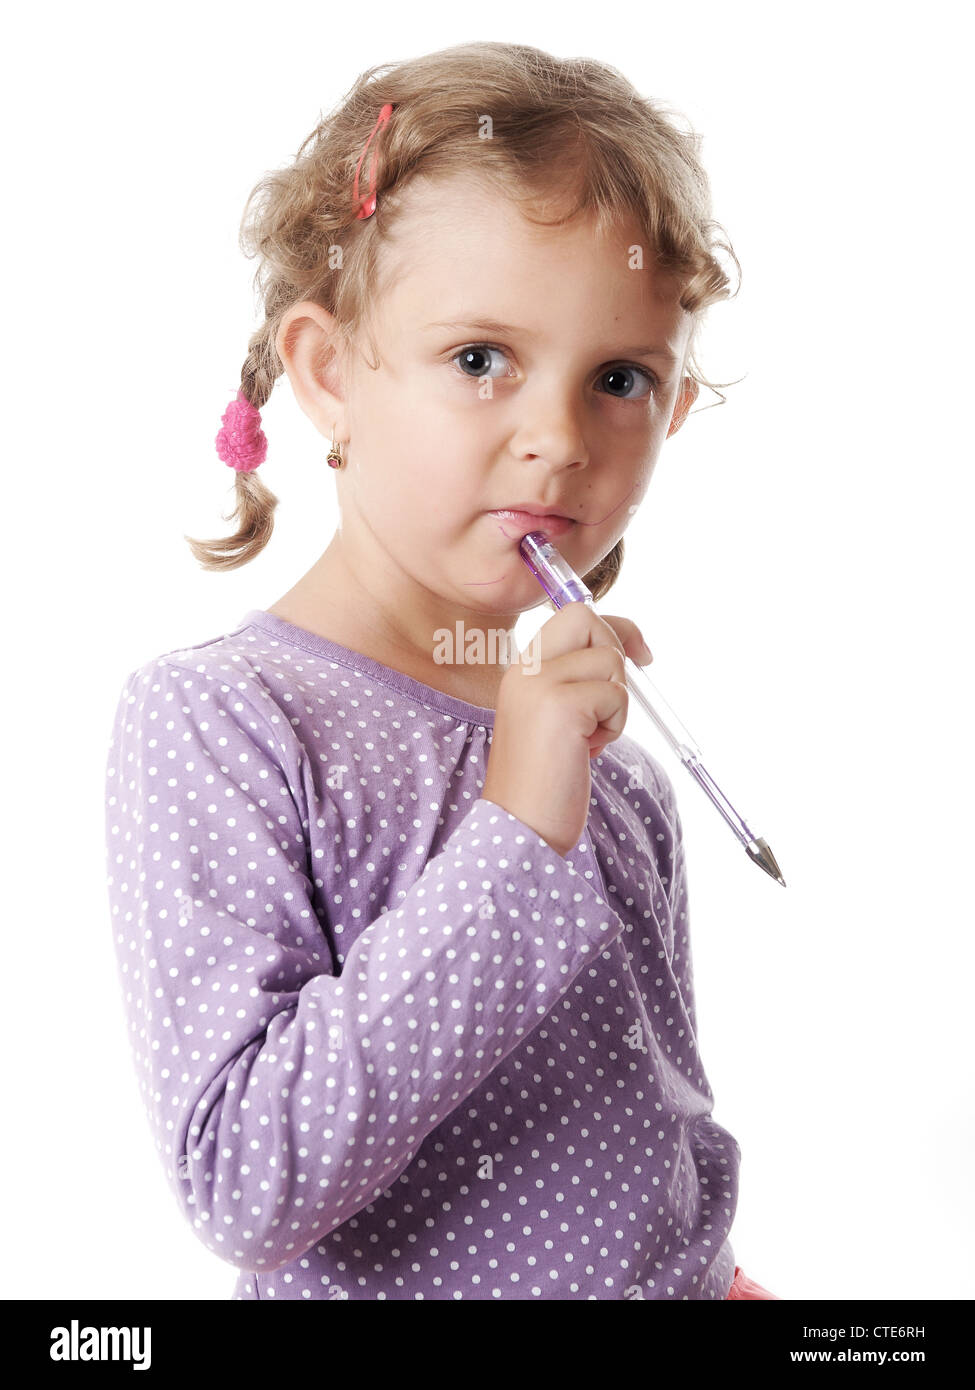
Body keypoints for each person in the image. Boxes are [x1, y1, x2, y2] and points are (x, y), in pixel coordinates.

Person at [103, 40, 779, 1301]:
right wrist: (517, 829)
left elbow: (654, 1130)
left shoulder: (614, 778)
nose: (558, 440)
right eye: (481, 360)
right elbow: (244, 1181)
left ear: (674, 407)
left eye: (620, 380)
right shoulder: (225, 721)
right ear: (330, 373)